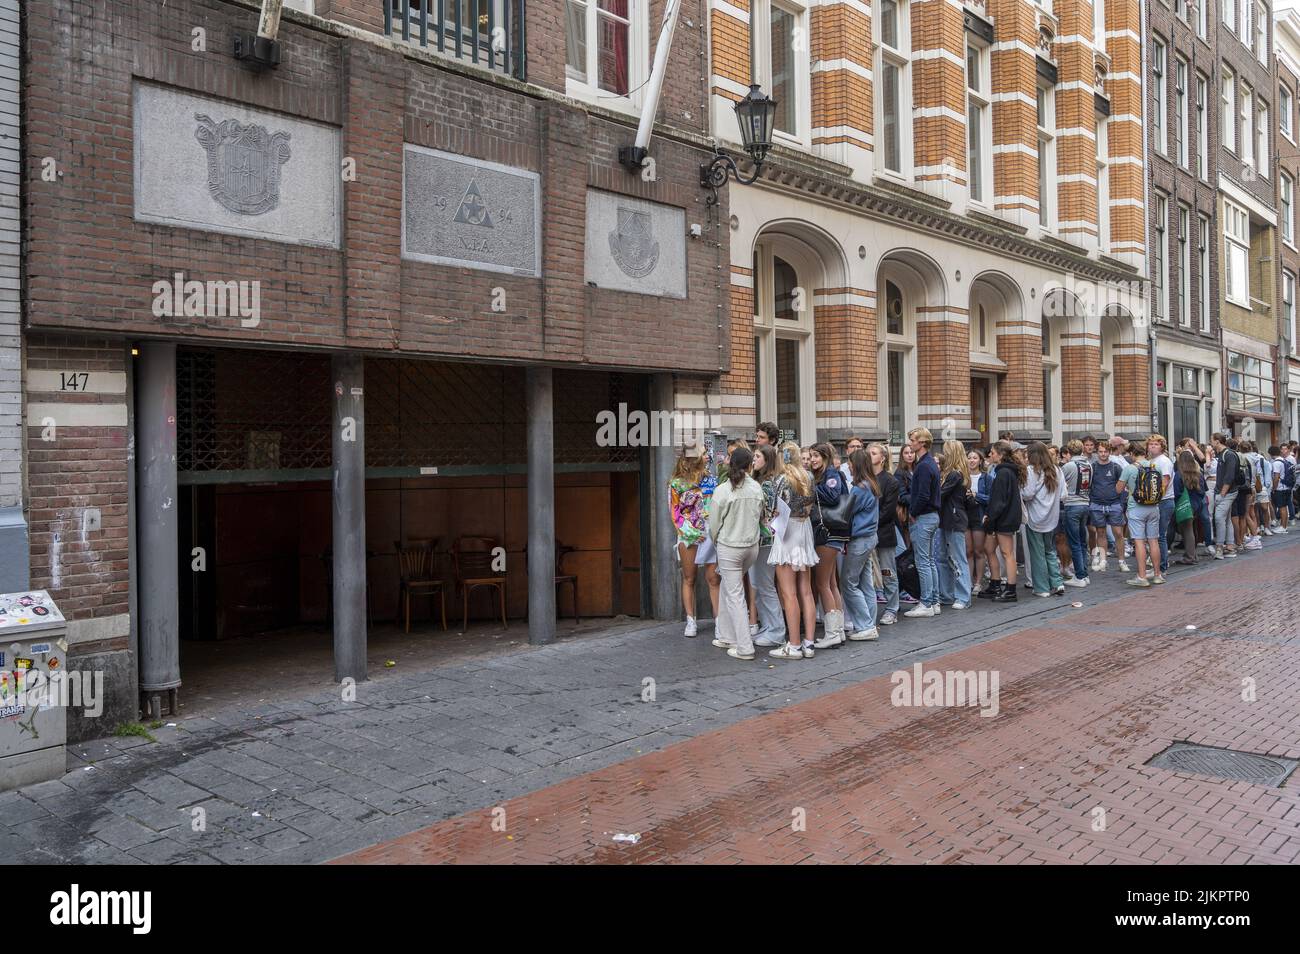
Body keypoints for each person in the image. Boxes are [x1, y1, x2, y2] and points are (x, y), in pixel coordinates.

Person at [707, 447, 764, 660]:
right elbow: (760, 515)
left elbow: (714, 523)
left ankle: (744, 646)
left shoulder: (723, 490)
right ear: (749, 466)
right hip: (751, 546)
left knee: (735, 594)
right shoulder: (756, 488)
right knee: (729, 588)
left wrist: (717, 540)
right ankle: (726, 635)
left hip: (730, 546)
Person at [768, 441, 819, 660]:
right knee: (805, 590)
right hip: (804, 528)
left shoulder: (781, 479)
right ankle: (809, 643)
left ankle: (794, 645)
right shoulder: (809, 477)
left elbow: (775, 509)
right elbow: (810, 506)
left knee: (788, 592)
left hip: (787, 530)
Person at [669, 446, 720, 637]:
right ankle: (691, 621)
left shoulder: (711, 480)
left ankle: (719, 620)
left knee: (714, 578)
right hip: (689, 535)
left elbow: (716, 505)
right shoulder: (676, 483)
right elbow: (675, 513)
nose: (708, 456)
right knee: (689, 577)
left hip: (710, 532)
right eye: (704, 453)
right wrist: (691, 533)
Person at [808, 443, 849, 648]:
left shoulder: (831, 474)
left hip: (829, 532)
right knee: (831, 583)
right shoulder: (828, 474)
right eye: (811, 456)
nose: (812, 460)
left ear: (825, 456)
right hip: (832, 533)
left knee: (822, 583)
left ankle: (832, 633)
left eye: (816, 456)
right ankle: (838, 630)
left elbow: (832, 497)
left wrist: (811, 487)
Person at [838, 449, 881, 643]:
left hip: (860, 539)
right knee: (865, 584)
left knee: (848, 582)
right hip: (870, 537)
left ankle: (865, 625)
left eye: (850, 462)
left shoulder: (859, 488)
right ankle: (869, 623)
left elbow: (847, 512)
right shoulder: (871, 484)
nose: (848, 465)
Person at [749, 445, 787, 648]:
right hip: (760, 539)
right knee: (758, 583)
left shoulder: (767, 484)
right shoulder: (759, 481)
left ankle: (776, 630)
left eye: (757, 456)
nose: (753, 459)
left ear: (767, 460)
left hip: (766, 540)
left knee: (765, 585)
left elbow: (766, 511)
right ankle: (768, 626)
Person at [905, 427, 943, 618]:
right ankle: (934, 601)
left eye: (912, 440)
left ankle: (927, 602)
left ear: (922, 442)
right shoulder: (929, 464)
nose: (910, 443)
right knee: (929, 560)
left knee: (923, 562)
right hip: (932, 516)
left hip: (924, 517)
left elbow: (922, 495)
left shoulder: (923, 466)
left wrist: (913, 512)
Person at [980, 440, 1024, 602]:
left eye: (992, 452)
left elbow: (999, 501)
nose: (990, 455)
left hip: (1004, 519)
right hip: (1004, 517)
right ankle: (995, 583)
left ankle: (1011, 589)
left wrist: (990, 518)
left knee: (1007, 553)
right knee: (989, 549)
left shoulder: (1004, 473)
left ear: (1001, 455)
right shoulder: (1006, 472)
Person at [1022, 442, 1066, 597]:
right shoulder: (1057, 470)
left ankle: (1041, 588)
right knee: (1050, 550)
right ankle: (1057, 582)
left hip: (1035, 517)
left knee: (1037, 553)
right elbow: (1062, 494)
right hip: (1051, 517)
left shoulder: (1031, 470)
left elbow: (1028, 494)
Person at [1119, 442, 1163, 586]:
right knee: (1153, 541)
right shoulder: (1155, 466)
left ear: (1132, 454)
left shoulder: (1129, 468)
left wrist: (1128, 486)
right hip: (1153, 507)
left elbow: (1118, 489)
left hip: (1136, 507)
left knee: (1139, 542)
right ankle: (1157, 575)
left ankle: (1142, 576)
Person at [867, 442, 901, 626]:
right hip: (865, 533)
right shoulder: (864, 478)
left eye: (873, 453)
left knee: (888, 572)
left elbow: (888, 510)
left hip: (884, 532)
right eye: (868, 453)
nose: (870, 456)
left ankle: (892, 608)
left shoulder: (890, 481)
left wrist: (871, 523)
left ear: (882, 457)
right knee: (868, 574)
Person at [937, 440, 972, 609]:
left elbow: (941, 495)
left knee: (958, 558)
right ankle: (947, 594)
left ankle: (963, 596)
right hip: (948, 518)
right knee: (944, 557)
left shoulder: (954, 475)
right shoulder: (955, 473)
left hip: (954, 519)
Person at [1088, 441, 1127, 572]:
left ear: (1109, 452)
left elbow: (1123, 486)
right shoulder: (1092, 467)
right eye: (1100, 451)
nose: (1103, 454)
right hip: (1097, 504)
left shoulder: (1116, 467)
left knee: (1118, 533)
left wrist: (1121, 504)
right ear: (1097, 452)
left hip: (1114, 504)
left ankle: (1122, 561)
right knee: (1100, 532)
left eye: (1105, 451)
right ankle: (1103, 560)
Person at [1060, 439, 1092, 588]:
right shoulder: (1089, 465)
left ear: (1069, 452)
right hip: (1085, 504)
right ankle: (1084, 574)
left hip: (1072, 505)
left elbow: (1060, 483)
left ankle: (1079, 576)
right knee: (1082, 541)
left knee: (1074, 542)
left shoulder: (1069, 466)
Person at [1210, 432, 1243, 559]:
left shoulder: (1228, 455)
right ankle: (1230, 546)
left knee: (1219, 518)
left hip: (1227, 492)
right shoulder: (1222, 454)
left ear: (1217, 441)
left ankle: (1219, 547)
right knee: (1227, 519)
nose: (1210, 443)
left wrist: (1222, 493)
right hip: (1225, 492)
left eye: (1211, 440)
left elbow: (1229, 476)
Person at [1172, 450, 1206, 565]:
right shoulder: (1198, 473)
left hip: (1184, 505)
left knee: (1186, 530)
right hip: (1197, 505)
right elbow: (1203, 490)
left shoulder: (1179, 474)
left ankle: (1189, 557)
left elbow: (1176, 492)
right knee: (1191, 529)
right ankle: (1193, 554)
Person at [967, 448, 991, 593]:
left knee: (978, 551)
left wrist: (976, 495)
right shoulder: (962, 477)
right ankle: (968, 580)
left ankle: (978, 582)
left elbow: (991, 498)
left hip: (979, 515)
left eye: (975, 458)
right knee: (968, 551)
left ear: (980, 461)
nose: (971, 460)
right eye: (969, 457)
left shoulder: (986, 478)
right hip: (965, 515)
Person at [1269, 445, 1291, 532]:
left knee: (1282, 507)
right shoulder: (1283, 460)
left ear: (1271, 454)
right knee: (1284, 507)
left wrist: (1274, 488)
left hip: (1280, 488)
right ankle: (1284, 526)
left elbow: (1276, 477)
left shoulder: (1276, 463)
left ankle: (1282, 527)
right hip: (1286, 487)